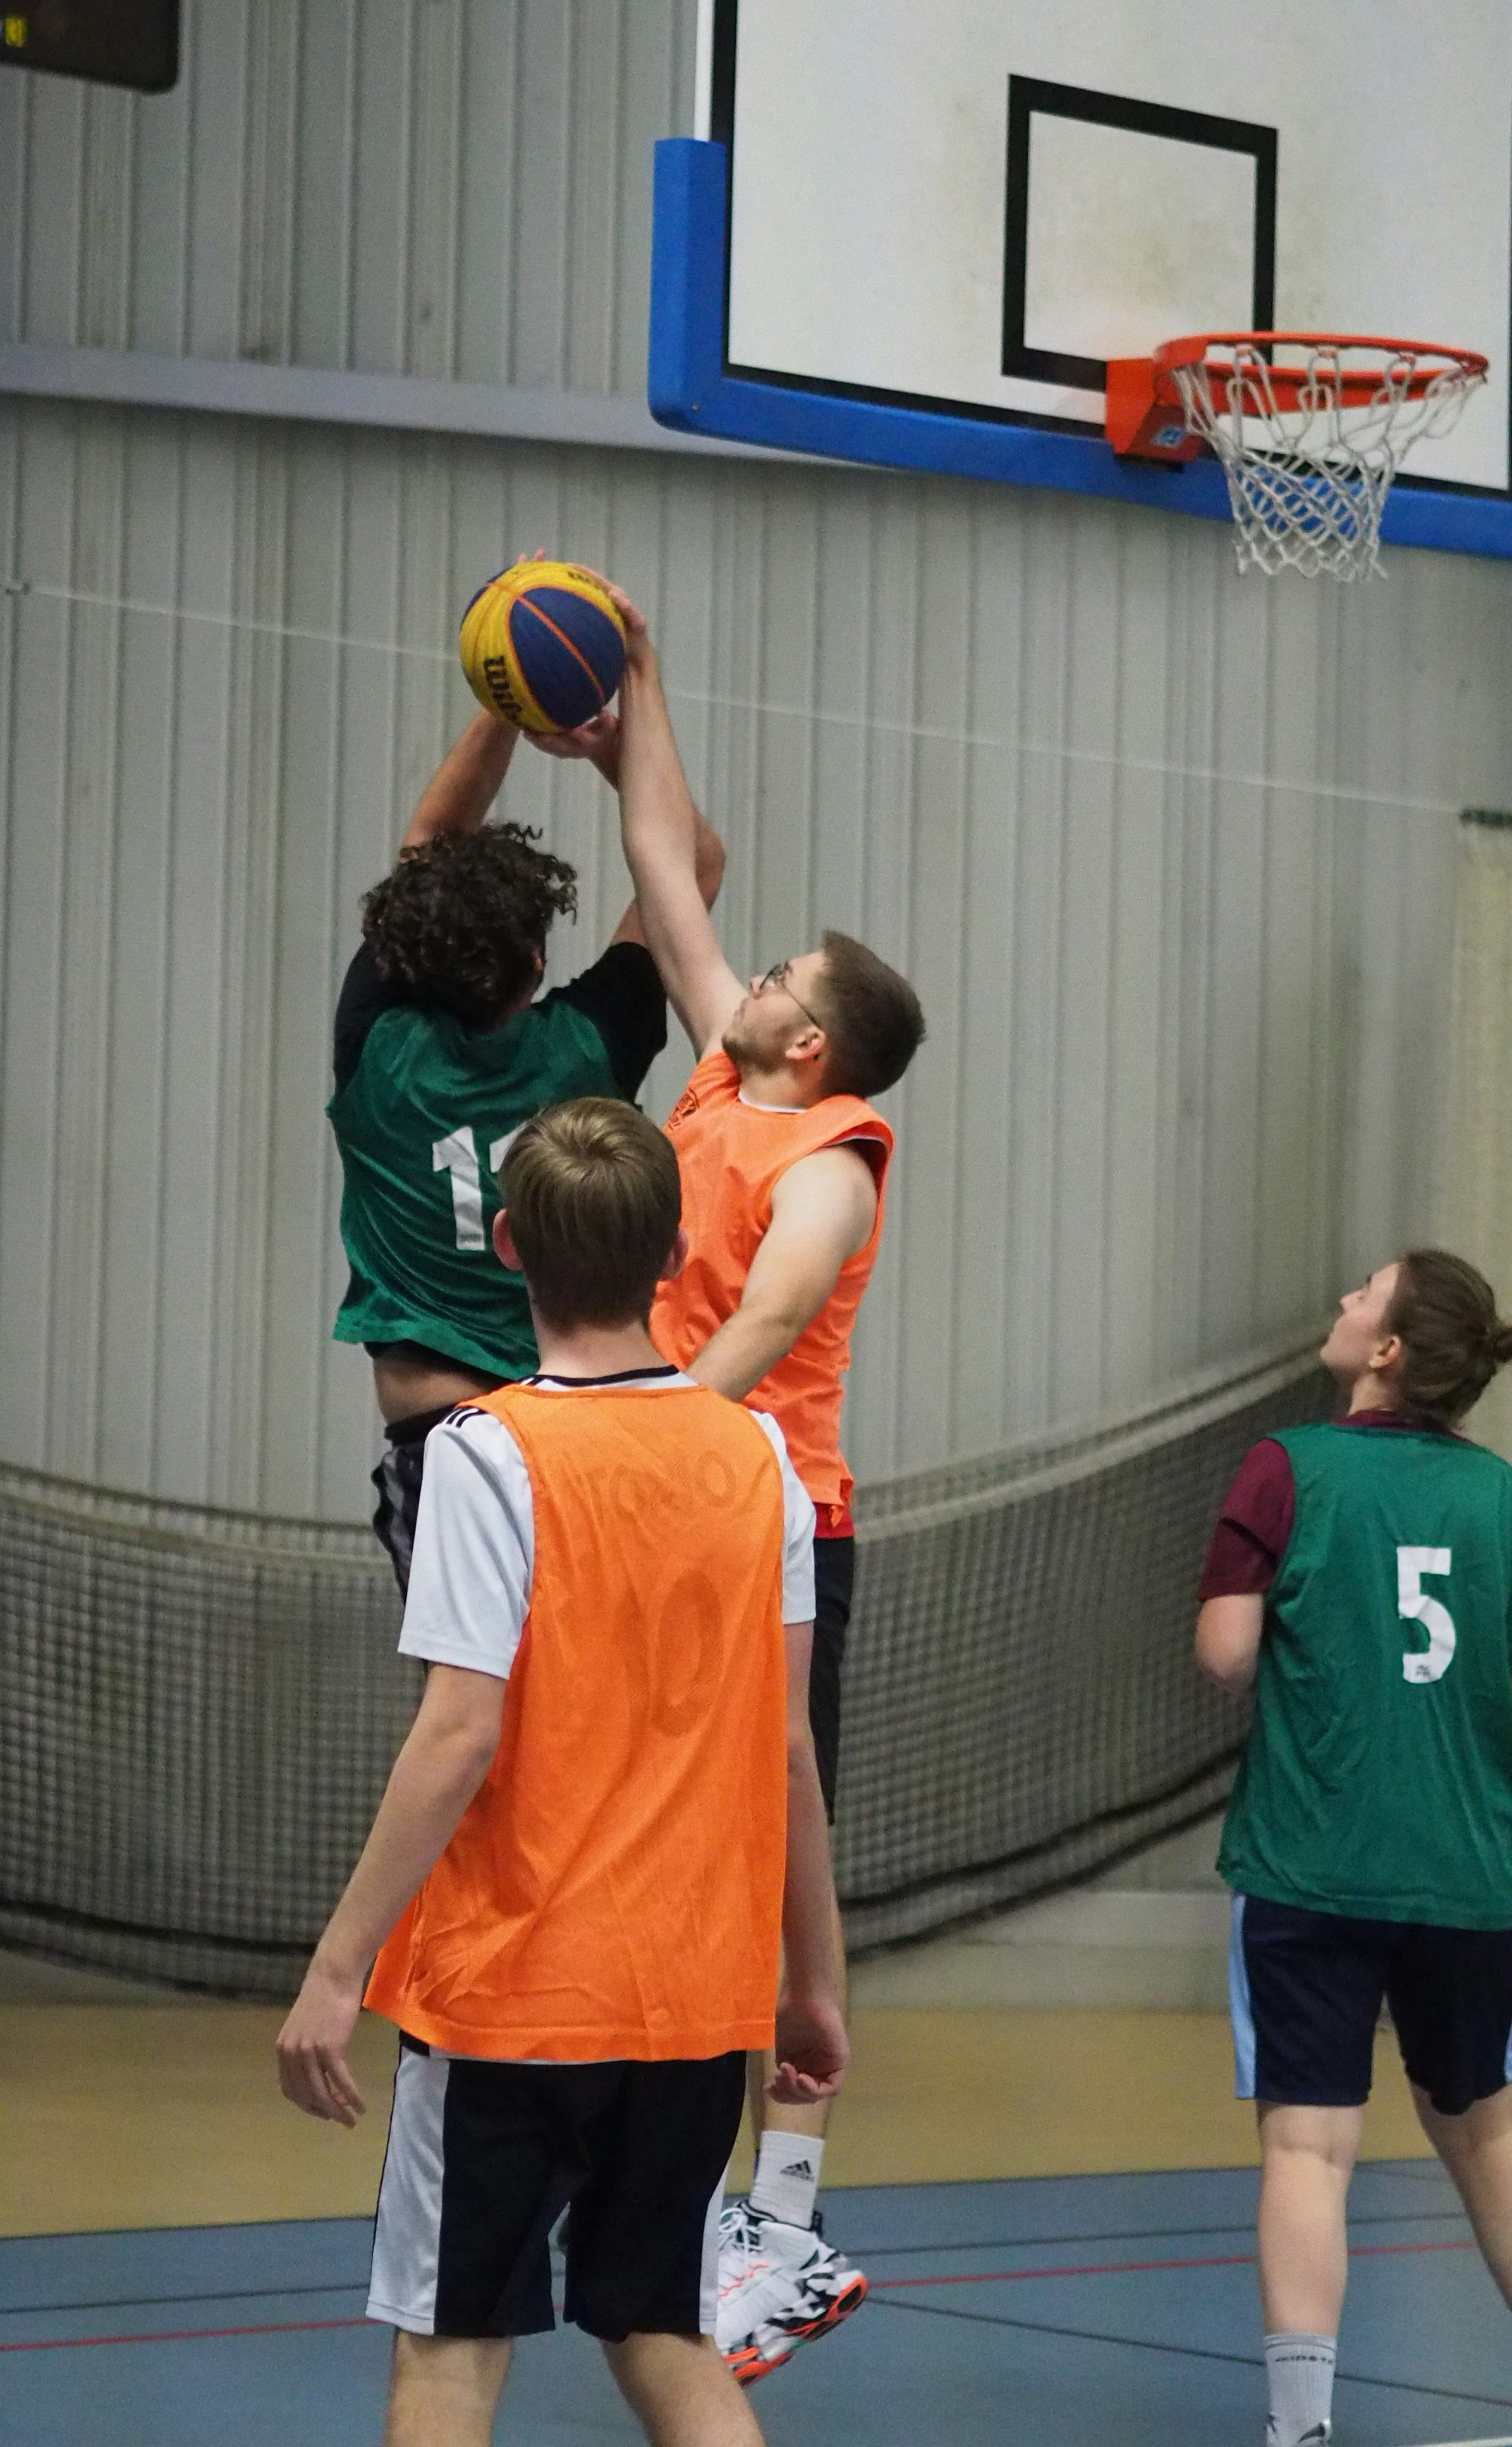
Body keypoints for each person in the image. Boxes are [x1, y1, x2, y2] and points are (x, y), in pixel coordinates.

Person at [278, 1096, 849, 2447]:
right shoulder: (758, 1451)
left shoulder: (490, 1453)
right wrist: (814, 1979)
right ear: (674, 1251)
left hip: (511, 1996)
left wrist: (335, 1967)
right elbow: (787, 1740)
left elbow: (459, 1732)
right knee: (665, 2331)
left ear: (513, 1244)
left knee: (450, 2349)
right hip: (696, 1997)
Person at [574, 572, 925, 2385]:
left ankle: (783, 2212)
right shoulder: (726, 1086)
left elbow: (753, 1340)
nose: (747, 966)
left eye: (778, 979)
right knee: (678, 1853)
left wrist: (625, 1437)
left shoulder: (832, 1167)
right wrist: (640, 682)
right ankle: (704, 2193)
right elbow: (662, 859)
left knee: (773, 1826)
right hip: (674, 1482)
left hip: (770, 1512)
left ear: (815, 1045)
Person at [1196, 1249, 1512, 2447]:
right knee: (1483, 2123)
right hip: (1469, 1872)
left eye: (1362, 1293)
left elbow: (1226, 1653)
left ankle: (1300, 2427)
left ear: (1385, 1351)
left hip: (1312, 1860)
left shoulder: (1289, 1468)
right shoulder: (1508, 1498)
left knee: (1309, 2146)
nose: (1339, 1299)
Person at [329, 704, 721, 1581]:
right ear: (537, 964)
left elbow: (430, 843)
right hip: (579, 1421)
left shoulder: (379, 1050)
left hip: (445, 1429)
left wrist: (500, 706)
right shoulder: (588, 1046)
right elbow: (693, 862)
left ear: (409, 942)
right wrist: (614, 750)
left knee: (478, 1700)